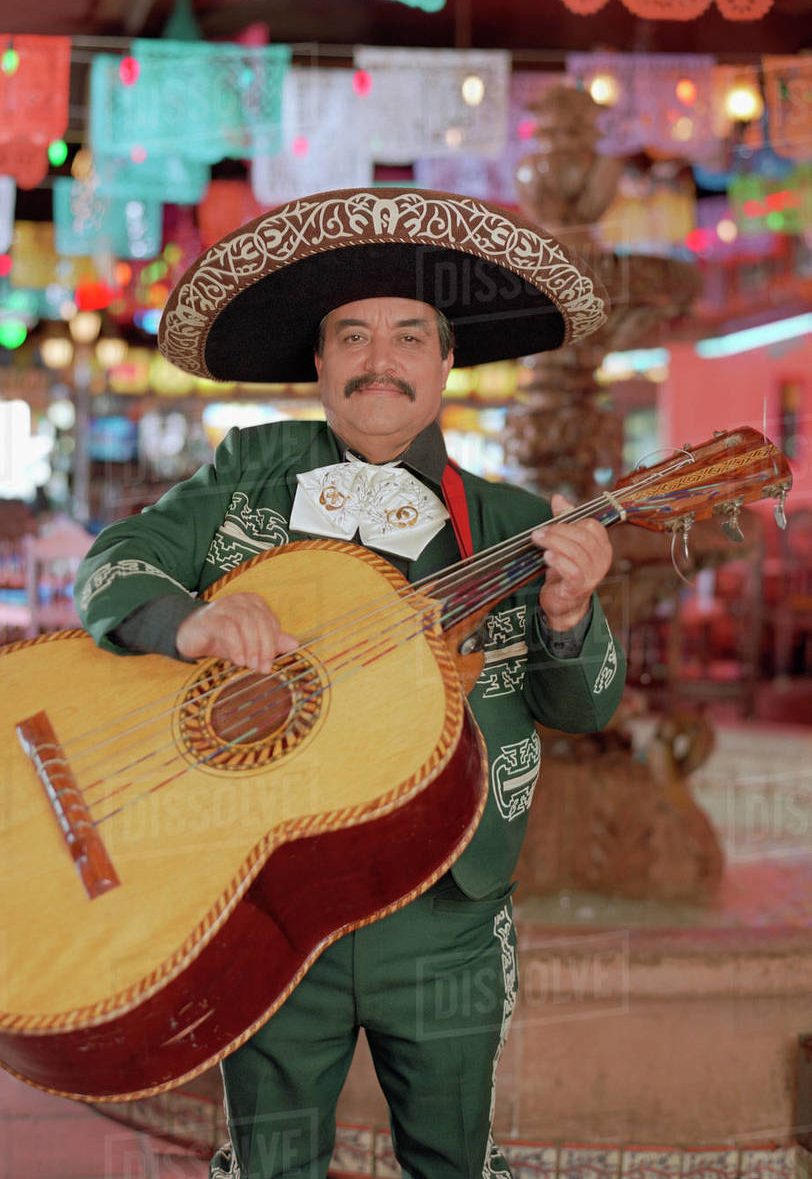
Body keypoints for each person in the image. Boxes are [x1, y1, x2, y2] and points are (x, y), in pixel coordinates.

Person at [75, 187, 626, 1179]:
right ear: (320, 362)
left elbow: (585, 707)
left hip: (448, 917)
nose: (382, 361)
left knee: (453, 1162)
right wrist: (189, 620)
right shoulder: (246, 477)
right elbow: (115, 563)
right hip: (275, 901)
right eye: (354, 337)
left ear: (446, 361)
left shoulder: (515, 523)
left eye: (410, 337)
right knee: (271, 1165)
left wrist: (570, 617)